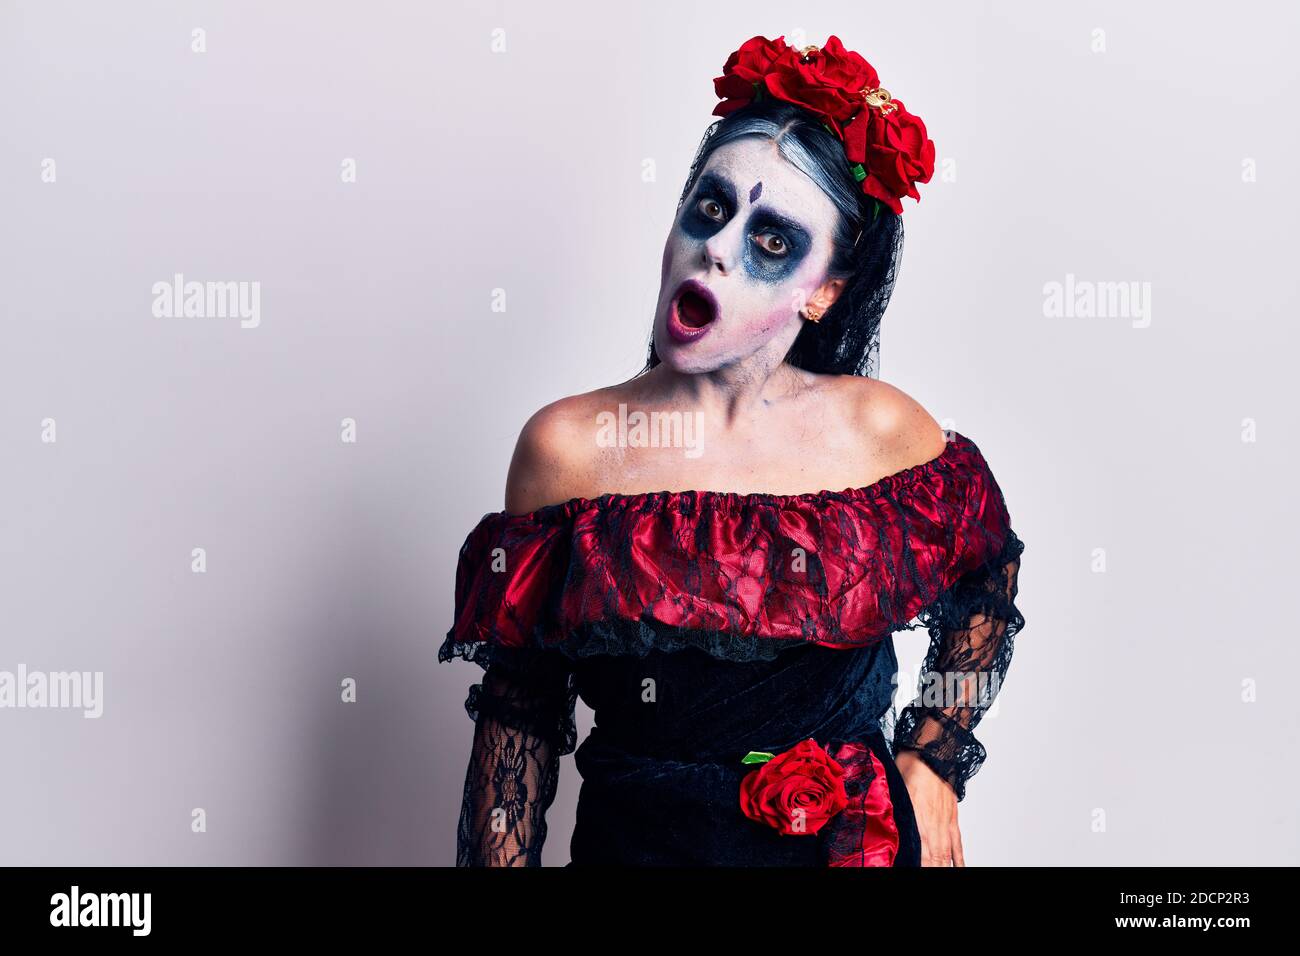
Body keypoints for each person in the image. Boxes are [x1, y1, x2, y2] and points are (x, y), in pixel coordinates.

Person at [439, 34, 1027, 867]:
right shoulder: (565, 450)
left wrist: (932, 762)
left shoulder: (881, 435)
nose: (719, 246)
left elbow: (987, 582)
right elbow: (519, 725)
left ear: (825, 292)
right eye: (711, 209)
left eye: (774, 241)